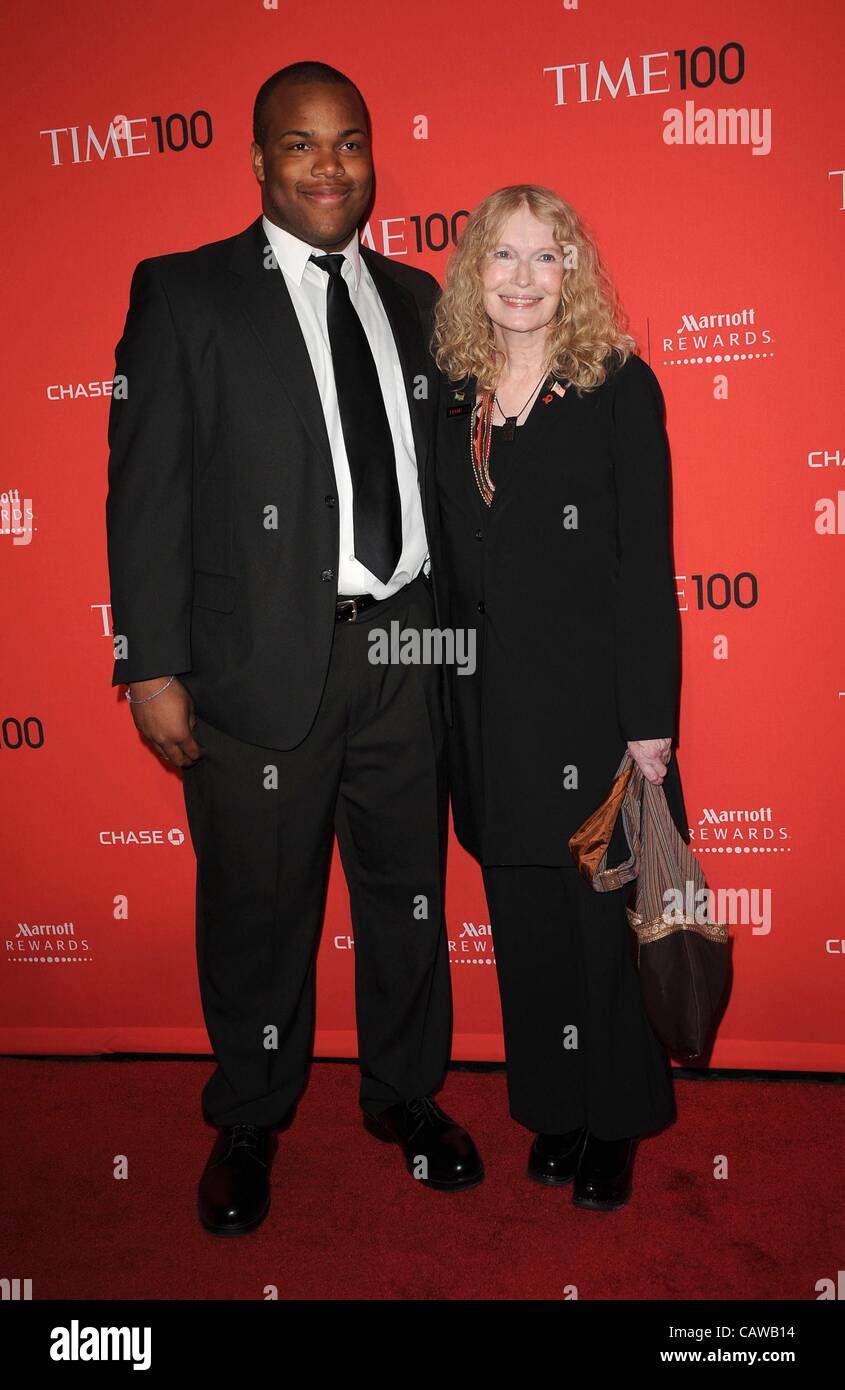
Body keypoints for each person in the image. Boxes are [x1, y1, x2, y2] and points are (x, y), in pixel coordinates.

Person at [105, 60, 482, 1237]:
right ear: (259, 163)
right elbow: (144, 492)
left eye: (350, 143)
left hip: (407, 650)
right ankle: (251, 1115)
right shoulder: (185, 295)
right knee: (258, 907)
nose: (330, 166)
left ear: (374, 159)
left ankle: (404, 1095)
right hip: (254, 668)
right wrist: (150, 662)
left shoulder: (420, 299)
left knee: (405, 895)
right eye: (302, 145)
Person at [431, 184, 689, 1211]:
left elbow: (644, 565)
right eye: (503, 256)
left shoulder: (617, 385)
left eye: (546, 257)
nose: (524, 278)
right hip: (487, 714)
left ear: (571, 272)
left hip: (591, 708)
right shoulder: (449, 395)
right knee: (524, 921)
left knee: (598, 924)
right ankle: (555, 1106)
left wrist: (648, 721)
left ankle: (615, 1118)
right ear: (473, 274)